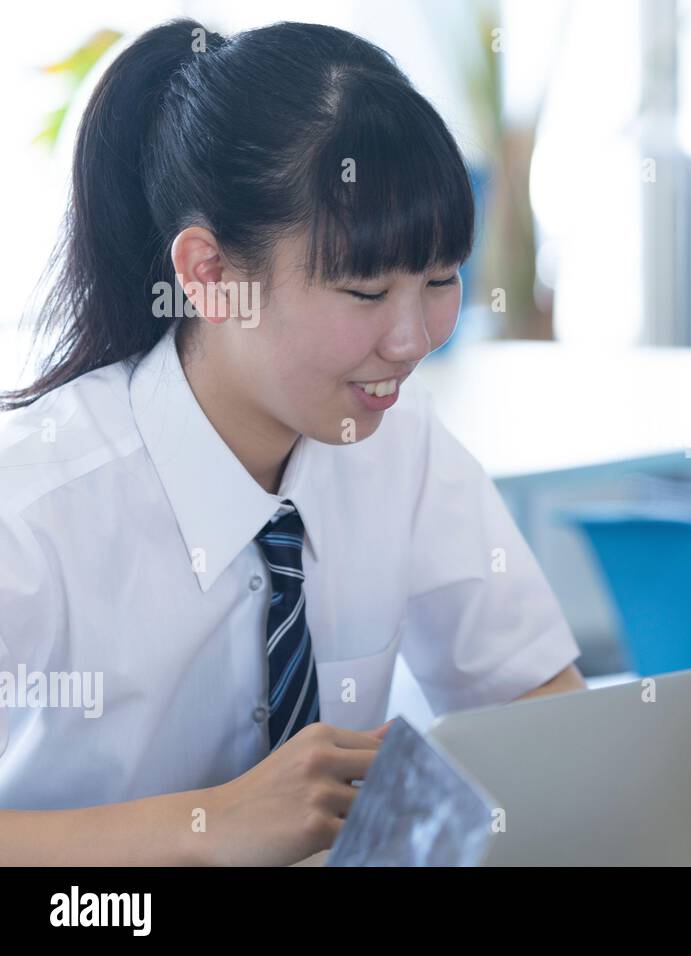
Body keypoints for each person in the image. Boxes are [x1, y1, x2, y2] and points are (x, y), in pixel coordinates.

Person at [0, 18, 584, 866]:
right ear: (210, 276)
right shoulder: (31, 512)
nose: (414, 340)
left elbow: (540, 709)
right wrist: (212, 824)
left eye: (440, 279)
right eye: (363, 292)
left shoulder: (398, 444)